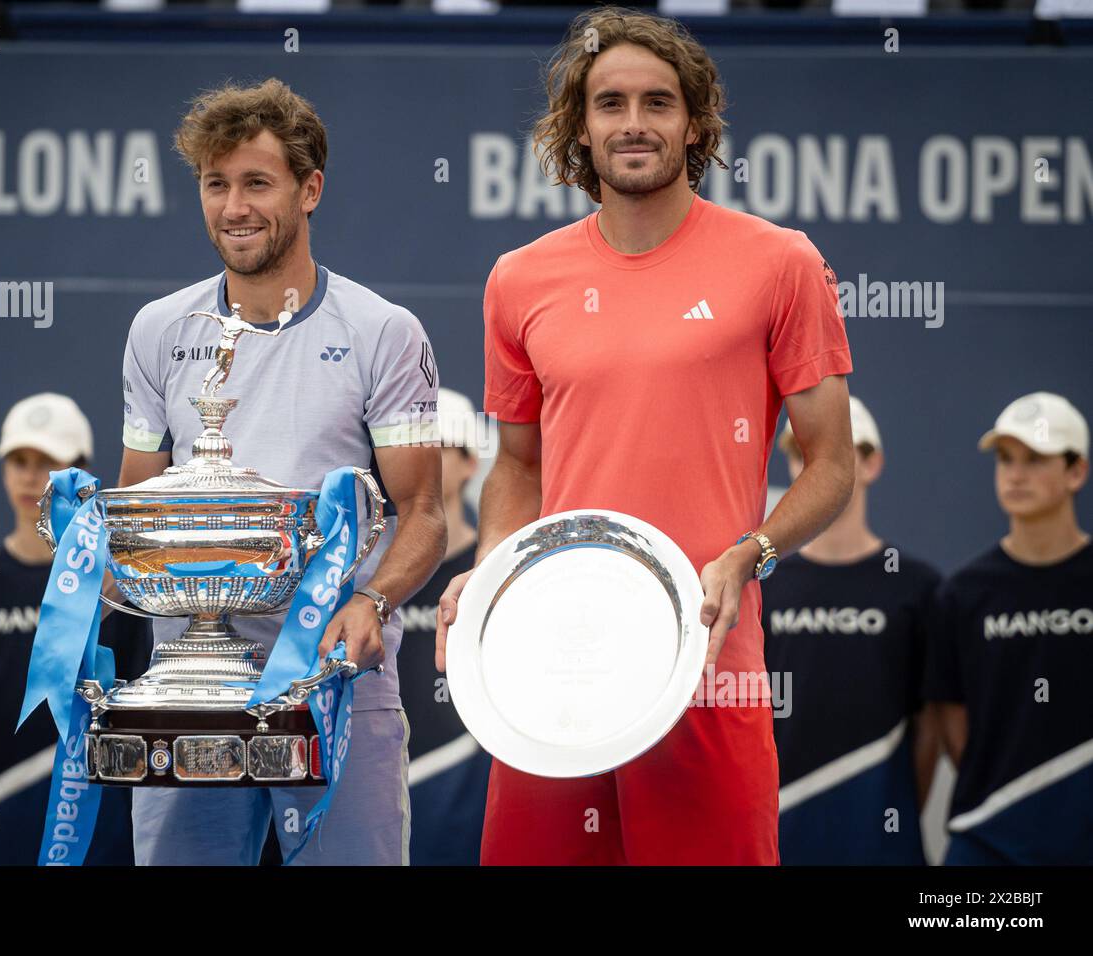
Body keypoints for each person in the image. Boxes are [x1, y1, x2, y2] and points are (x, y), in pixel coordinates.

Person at [435, 7, 856, 865]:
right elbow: (518, 466)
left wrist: (751, 554)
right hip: (553, 667)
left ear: (695, 123)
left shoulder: (781, 263)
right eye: (611, 103)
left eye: (658, 103)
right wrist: (490, 572)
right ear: (579, 128)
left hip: (707, 658)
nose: (634, 124)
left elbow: (832, 465)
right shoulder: (519, 280)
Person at [118, 78, 446, 865]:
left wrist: (371, 599)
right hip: (188, 679)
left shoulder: (382, 332)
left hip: (337, 681)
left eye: (257, 183)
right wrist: (91, 559)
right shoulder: (158, 330)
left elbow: (425, 513)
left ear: (310, 190)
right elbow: (135, 503)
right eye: (216, 184)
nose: (235, 206)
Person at [0, 393, 152, 865]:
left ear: (77, 468)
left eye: (47, 461)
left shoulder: (117, 587)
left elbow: (133, 693)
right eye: (18, 460)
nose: (31, 475)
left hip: (94, 810)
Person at [763, 396, 940, 865]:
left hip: (883, 843)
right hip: (781, 836)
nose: (813, 465)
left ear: (872, 463)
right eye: (801, 453)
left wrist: (893, 809)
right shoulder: (761, 585)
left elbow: (934, 725)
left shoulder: (918, 587)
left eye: (837, 453)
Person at [925, 391, 1093, 865]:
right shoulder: (963, 592)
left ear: (1076, 471)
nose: (1016, 474)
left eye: (1035, 459)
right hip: (987, 836)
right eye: (1005, 459)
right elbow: (950, 716)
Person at [397, 388, 491, 865]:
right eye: (411, 449)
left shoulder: (494, 574)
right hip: (372, 782)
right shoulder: (366, 573)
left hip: (466, 788)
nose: (424, 461)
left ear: (471, 462)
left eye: (439, 446)